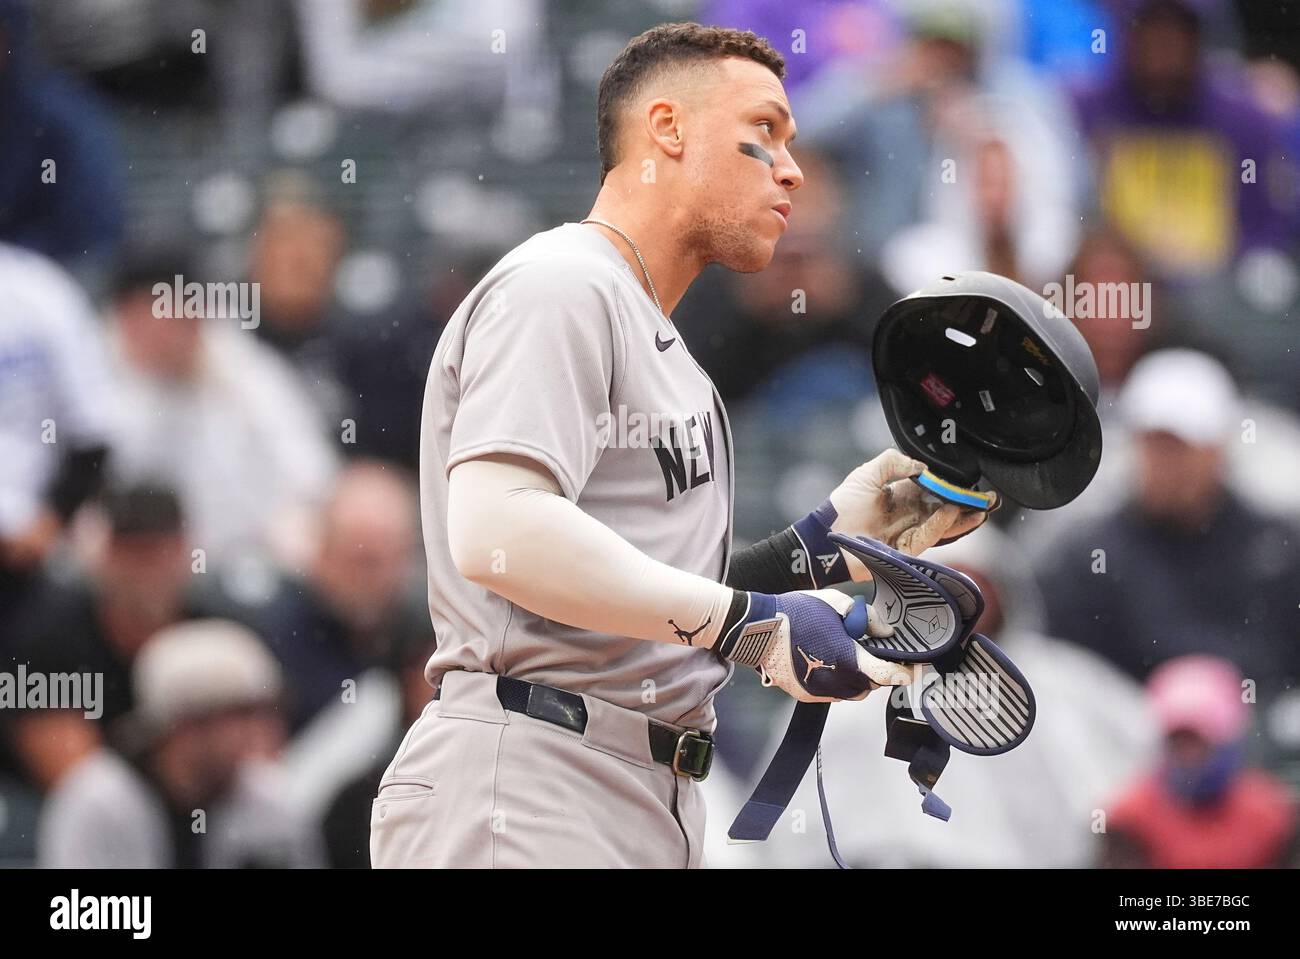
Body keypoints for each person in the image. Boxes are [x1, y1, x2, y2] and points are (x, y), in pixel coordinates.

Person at [369, 22, 987, 870]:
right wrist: (750, 626)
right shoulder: (564, 282)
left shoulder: (671, 353)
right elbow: (497, 531)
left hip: (641, 789)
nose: (793, 168)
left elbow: (631, 602)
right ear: (668, 129)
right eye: (764, 131)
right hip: (531, 771)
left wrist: (827, 541)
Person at [702, 525, 1155, 868]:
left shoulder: (1065, 684)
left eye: (971, 591)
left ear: (1002, 592)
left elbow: (1145, 771)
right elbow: (792, 832)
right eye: (934, 591)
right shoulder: (850, 688)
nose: (953, 611)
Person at [1034, 349, 1300, 738]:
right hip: (1124, 754)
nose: (1165, 462)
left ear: (1218, 450)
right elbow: (1067, 680)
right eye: (1154, 444)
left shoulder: (1278, 548)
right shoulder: (1085, 557)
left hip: (1259, 755)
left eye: (1180, 446)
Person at [37, 620, 320, 868]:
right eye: (239, 713)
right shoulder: (95, 801)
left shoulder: (272, 801)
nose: (258, 728)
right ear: (186, 726)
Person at [1099, 655, 1299, 868]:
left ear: (1228, 740)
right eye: (1177, 743)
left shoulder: (1274, 818)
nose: (1187, 757)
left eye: (1198, 743)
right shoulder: (1130, 819)